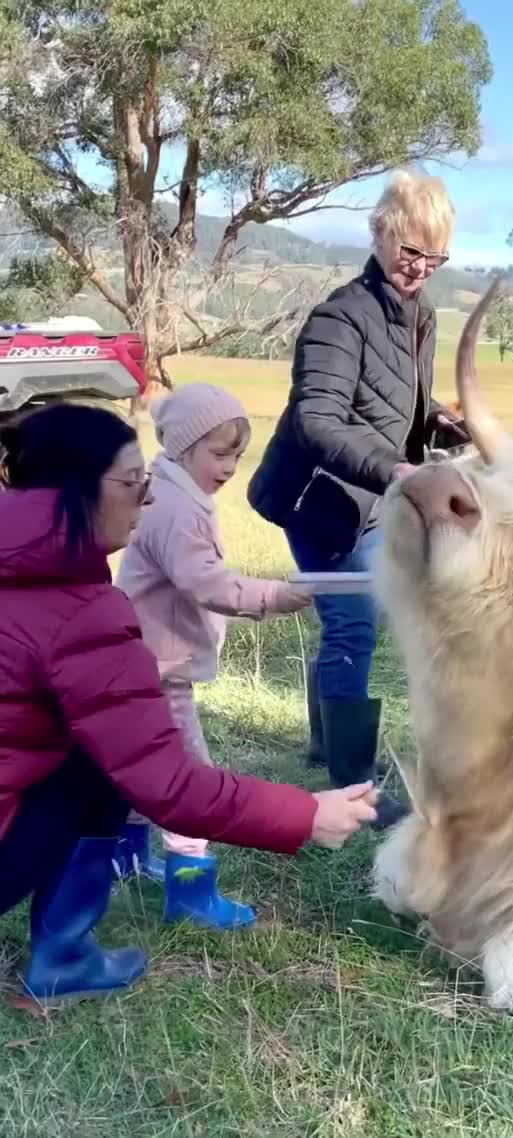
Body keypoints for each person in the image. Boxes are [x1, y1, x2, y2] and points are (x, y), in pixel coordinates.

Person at [0, 403, 378, 1006]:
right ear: (77, 490)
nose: (145, 499)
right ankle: (69, 957)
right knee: (108, 761)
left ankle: (103, 890)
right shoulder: (80, 612)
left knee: (90, 750)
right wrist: (306, 813)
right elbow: (168, 784)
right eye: (133, 482)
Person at [247, 169, 467, 827]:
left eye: (435, 257)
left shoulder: (418, 315)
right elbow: (319, 419)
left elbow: (391, 406)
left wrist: (438, 426)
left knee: (349, 624)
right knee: (352, 626)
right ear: (379, 234)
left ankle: (324, 744)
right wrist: (398, 472)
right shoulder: (339, 317)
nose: (420, 268)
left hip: (371, 493)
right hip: (322, 498)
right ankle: (353, 788)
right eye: (410, 252)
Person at [115, 383, 313, 931]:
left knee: (139, 768)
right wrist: (274, 596)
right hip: (158, 671)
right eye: (219, 452)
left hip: (142, 664)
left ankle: (124, 856)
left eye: (236, 455)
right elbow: (206, 583)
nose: (228, 467)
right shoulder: (176, 509)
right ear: (182, 445)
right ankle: (191, 893)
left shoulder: (171, 492)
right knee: (188, 779)